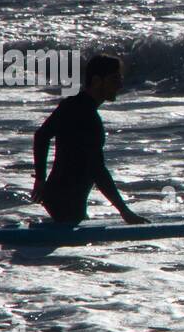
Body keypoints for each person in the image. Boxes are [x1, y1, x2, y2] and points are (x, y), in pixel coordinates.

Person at [32, 54, 148, 226]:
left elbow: (41, 136)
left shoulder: (70, 104)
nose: (120, 85)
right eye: (114, 79)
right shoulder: (88, 119)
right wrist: (125, 212)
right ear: (96, 81)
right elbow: (98, 171)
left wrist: (41, 180)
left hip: (56, 196)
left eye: (120, 78)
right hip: (67, 203)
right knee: (70, 230)